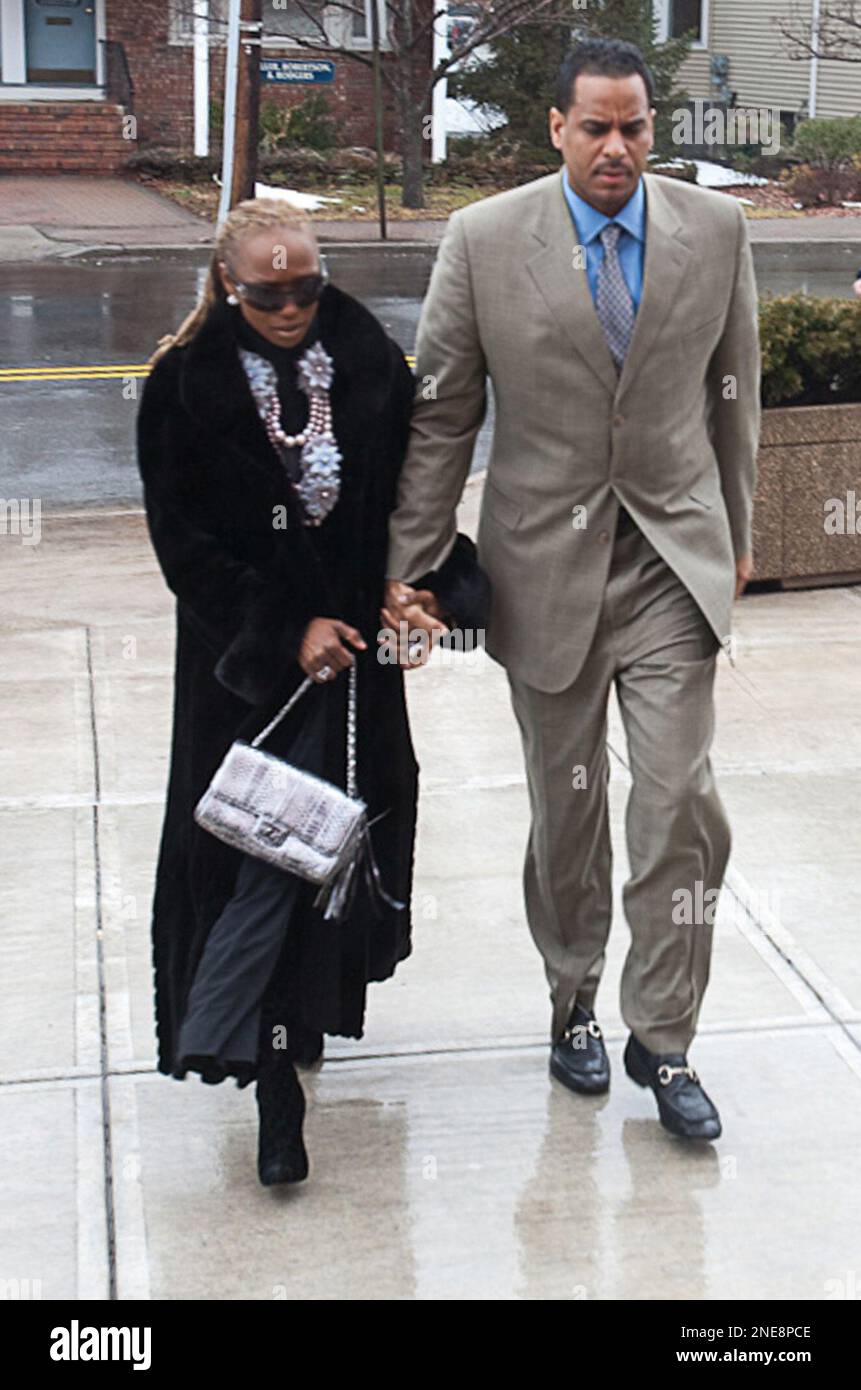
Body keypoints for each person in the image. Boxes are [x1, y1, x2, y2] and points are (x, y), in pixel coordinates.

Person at [385, 39, 761, 1141]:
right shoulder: (484, 240)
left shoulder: (717, 231)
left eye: (635, 127)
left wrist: (738, 531)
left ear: (656, 127)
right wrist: (409, 570)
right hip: (540, 569)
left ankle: (667, 1035)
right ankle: (572, 1001)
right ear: (555, 127)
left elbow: (731, 392)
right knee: (571, 811)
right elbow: (446, 413)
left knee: (679, 799)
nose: (617, 147)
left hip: (669, 561)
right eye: (595, 126)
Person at [136, 198, 487, 1186]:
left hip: (357, 675)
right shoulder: (182, 388)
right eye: (267, 293)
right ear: (224, 285)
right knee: (262, 857)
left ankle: (302, 1017)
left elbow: (414, 498)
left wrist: (430, 589)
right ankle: (271, 1089)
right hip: (242, 681)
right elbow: (185, 550)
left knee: (335, 852)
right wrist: (285, 629)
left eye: (306, 289)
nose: (290, 308)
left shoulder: (370, 360)